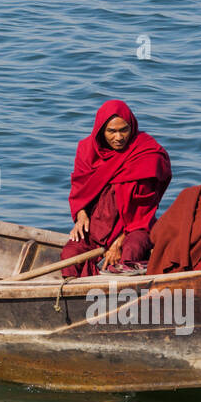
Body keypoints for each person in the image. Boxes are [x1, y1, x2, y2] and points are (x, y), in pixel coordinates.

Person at [60, 99, 171, 277]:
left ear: (132, 127)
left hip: (134, 228)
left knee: (130, 253)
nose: (118, 137)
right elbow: (80, 190)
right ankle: (70, 296)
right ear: (101, 131)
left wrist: (118, 242)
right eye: (112, 131)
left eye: (123, 130)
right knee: (69, 255)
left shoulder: (147, 154)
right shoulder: (87, 150)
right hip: (96, 228)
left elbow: (142, 213)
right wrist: (81, 215)